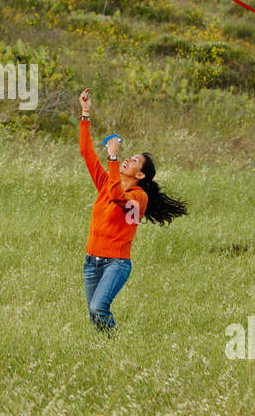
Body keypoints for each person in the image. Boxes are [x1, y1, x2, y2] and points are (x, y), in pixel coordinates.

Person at [77, 88, 187, 335]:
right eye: (128, 157)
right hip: (91, 261)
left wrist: (113, 158)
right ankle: (107, 355)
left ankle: (118, 346)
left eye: (134, 161)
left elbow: (118, 197)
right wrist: (85, 113)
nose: (127, 159)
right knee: (94, 317)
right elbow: (87, 153)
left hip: (115, 264)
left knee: (99, 308)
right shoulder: (107, 182)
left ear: (140, 175)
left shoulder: (140, 198)